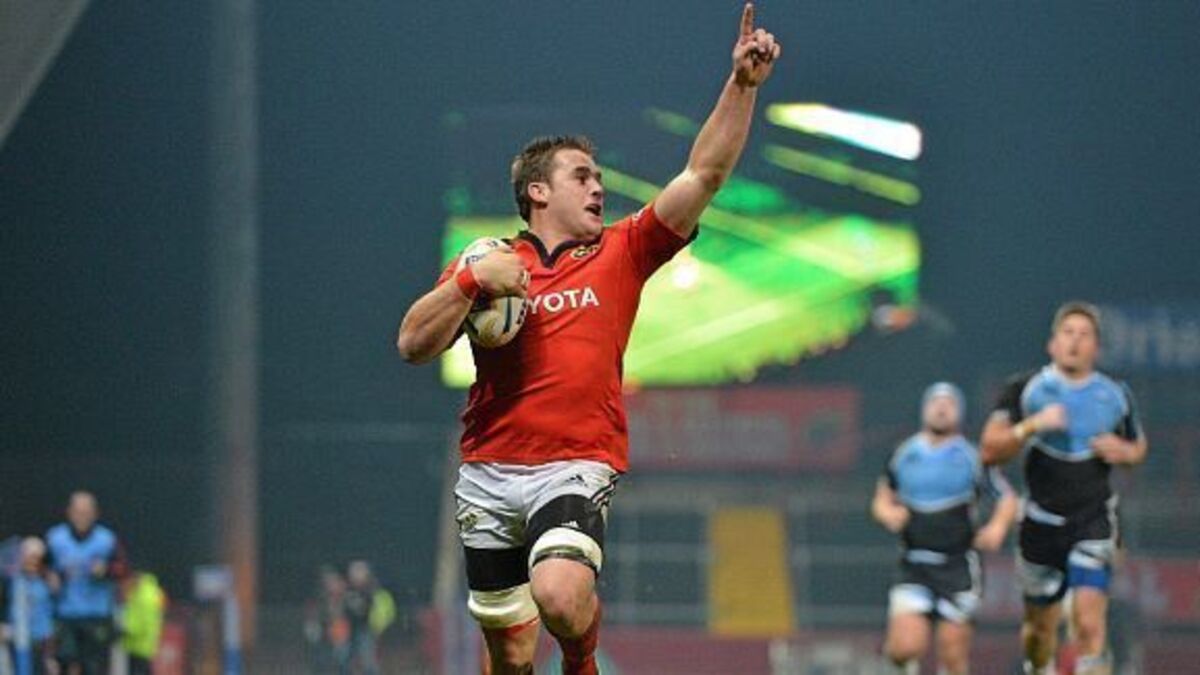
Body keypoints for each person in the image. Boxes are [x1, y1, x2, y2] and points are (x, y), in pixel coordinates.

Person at [396, 5, 780, 673]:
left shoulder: (622, 251)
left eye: (599, 177)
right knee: (510, 654)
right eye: (582, 176)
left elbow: (703, 175)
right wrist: (469, 283)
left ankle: (582, 656)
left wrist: (742, 85)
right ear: (538, 191)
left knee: (559, 596)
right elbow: (412, 343)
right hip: (487, 470)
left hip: (574, 462)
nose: (599, 186)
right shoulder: (486, 261)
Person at [980, 302, 1147, 675]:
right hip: (1040, 522)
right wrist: (1032, 425)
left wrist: (1124, 452)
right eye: (1067, 333)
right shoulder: (1025, 389)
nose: (1075, 342)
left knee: (1088, 624)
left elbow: (1138, 448)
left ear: (1096, 348)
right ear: (1052, 344)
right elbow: (990, 450)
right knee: (1040, 634)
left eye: (1084, 335)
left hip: (1092, 520)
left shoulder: (1116, 395)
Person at [872, 383, 1018, 675]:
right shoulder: (904, 454)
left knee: (952, 656)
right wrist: (888, 512)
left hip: (958, 567)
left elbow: (1007, 498)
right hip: (914, 564)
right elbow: (882, 497)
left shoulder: (974, 457)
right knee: (904, 648)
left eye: (948, 403)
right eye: (935, 403)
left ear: (959, 412)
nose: (941, 408)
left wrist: (997, 528)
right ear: (924, 409)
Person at [44, 491, 127, 675]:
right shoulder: (55, 538)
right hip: (65, 614)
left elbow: (123, 570)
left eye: (86, 512)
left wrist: (106, 570)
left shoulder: (107, 540)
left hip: (97, 615)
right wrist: (50, 577)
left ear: (95, 514)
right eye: (78, 512)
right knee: (64, 662)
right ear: (69, 512)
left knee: (94, 666)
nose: (81, 517)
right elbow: (42, 568)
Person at [1, 537, 57, 675]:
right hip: (16, 639)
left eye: (37, 557)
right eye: (29, 556)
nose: (32, 561)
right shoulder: (10, 580)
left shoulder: (48, 580)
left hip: (43, 640)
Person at [119, 571, 165, 675]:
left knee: (139, 669)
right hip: (142, 642)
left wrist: (127, 629)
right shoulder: (148, 592)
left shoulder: (144, 595)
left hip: (139, 642)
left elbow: (143, 620)